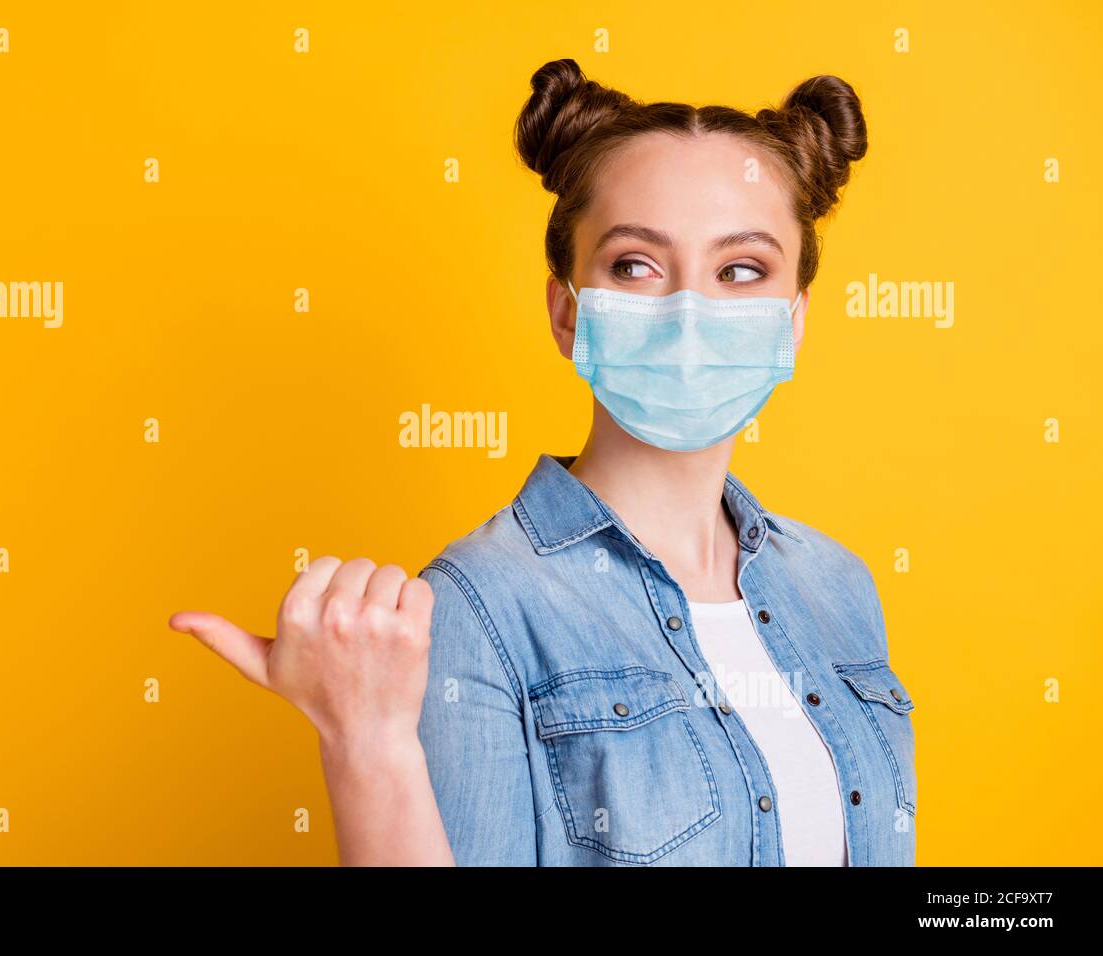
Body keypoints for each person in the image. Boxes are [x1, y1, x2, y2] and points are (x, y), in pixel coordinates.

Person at [169, 59, 917, 866]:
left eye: (741, 271)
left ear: (793, 321)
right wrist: (367, 744)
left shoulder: (839, 588)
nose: (690, 313)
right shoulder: (477, 606)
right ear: (568, 313)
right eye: (635, 265)